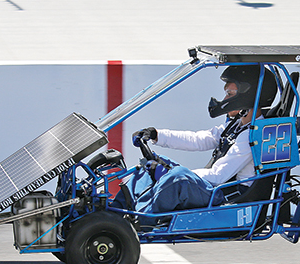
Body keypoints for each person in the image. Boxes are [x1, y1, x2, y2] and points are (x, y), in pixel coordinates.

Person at [113, 65, 278, 220]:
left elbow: (219, 176)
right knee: (152, 164)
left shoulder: (252, 135)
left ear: (249, 95)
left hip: (227, 195)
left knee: (177, 178)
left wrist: (170, 172)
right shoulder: (237, 124)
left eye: (230, 93)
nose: (225, 98)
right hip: (215, 187)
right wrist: (157, 135)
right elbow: (200, 139)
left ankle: (138, 220)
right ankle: (116, 209)